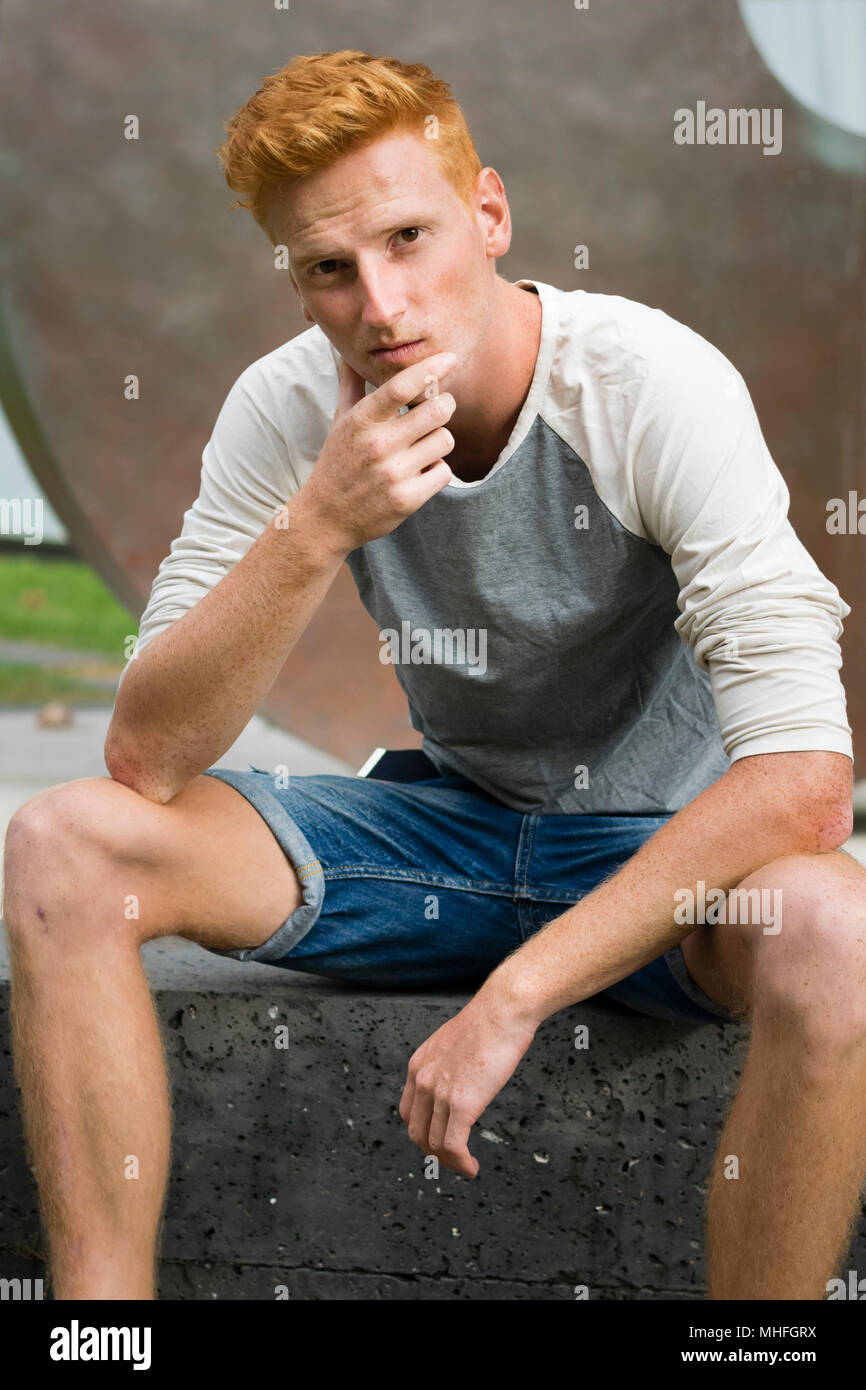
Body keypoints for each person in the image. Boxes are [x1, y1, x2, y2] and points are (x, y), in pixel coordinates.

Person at [4, 49, 863, 1303]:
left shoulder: (649, 386)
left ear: (490, 214)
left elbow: (801, 786)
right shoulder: (288, 410)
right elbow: (147, 756)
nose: (382, 303)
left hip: (666, 868)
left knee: (834, 925)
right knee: (63, 846)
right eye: (329, 270)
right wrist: (314, 530)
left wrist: (513, 997)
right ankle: (101, 1337)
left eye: (410, 237)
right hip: (446, 840)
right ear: (295, 281)